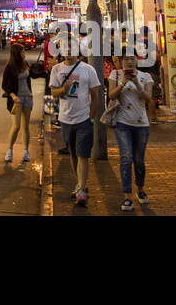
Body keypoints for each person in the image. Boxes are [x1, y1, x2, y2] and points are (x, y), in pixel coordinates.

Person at [49, 38, 102, 206]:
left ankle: (81, 190)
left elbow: (95, 96)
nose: (69, 50)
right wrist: (63, 89)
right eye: (65, 47)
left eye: (72, 47)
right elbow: (54, 93)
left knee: (83, 155)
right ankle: (80, 184)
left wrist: (91, 118)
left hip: (84, 119)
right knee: (73, 155)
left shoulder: (88, 69)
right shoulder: (57, 69)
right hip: (65, 119)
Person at [107, 54, 155, 211]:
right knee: (126, 157)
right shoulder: (115, 74)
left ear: (136, 60)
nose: (128, 62)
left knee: (139, 160)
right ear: (121, 61)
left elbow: (148, 99)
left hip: (141, 124)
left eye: (132, 58)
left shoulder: (145, 76)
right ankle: (127, 196)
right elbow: (111, 95)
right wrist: (122, 84)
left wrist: (136, 83)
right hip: (123, 123)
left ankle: (140, 189)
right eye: (125, 59)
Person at [2, 42, 33, 164]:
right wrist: (13, 95)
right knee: (16, 126)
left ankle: (26, 152)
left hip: (28, 98)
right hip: (16, 100)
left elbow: (33, 75)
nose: (24, 53)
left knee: (26, 127)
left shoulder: (25, 64)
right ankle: (9, 150)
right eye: (22, 51)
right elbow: (5, 85)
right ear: (17, 53)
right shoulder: (9, 67)